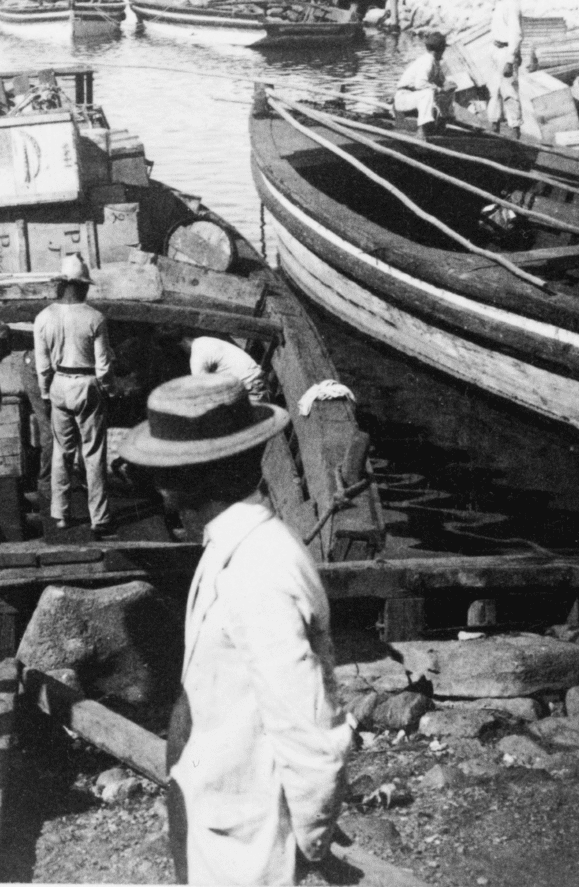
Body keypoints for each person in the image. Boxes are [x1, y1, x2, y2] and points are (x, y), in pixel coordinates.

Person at [118, 375, 352, 885]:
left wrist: (309, 845)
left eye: (167, 468)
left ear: (197, 477)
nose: (156, 480)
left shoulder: (257, 569)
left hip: (253, 840)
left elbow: (307, 729)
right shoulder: (233, 547)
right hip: (224, 812)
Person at [32, 253, 115, 538]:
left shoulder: (43, 317)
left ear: (61, 284)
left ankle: (61, 514)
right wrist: (108, 388)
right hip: (87, 382)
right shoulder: (95, 317)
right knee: (93, 452)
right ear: (82, 286)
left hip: (58, 384)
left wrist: (45, 393)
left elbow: (43, 365)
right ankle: (99, 518)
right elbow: (104, 364)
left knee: (61, 452)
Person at [485, 0, 523, 141]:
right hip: (495, 49)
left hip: (505, 51)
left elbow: (516, 34)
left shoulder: (511, 4)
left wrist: (511, 58)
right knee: (494, 90)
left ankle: (515, 129)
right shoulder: (500, 3)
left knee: (509, 92)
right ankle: (494, 125)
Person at [394, 30, 454, 132]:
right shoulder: (427, 61)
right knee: (428, 93)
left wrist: (448, 86)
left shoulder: (435, 63)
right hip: (404, 97)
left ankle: (443, 122)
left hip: (413, 97)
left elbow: (443, 82)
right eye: (443, 49)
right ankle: (422, 129)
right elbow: (420, 84)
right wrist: (440, 89)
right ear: (439, 50)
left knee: (446, 92)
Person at [186, 335, 267, 402]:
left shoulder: (197, 357)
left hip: (250, 388)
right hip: (256, 379)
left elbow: (200, 390)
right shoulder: (204, 341)